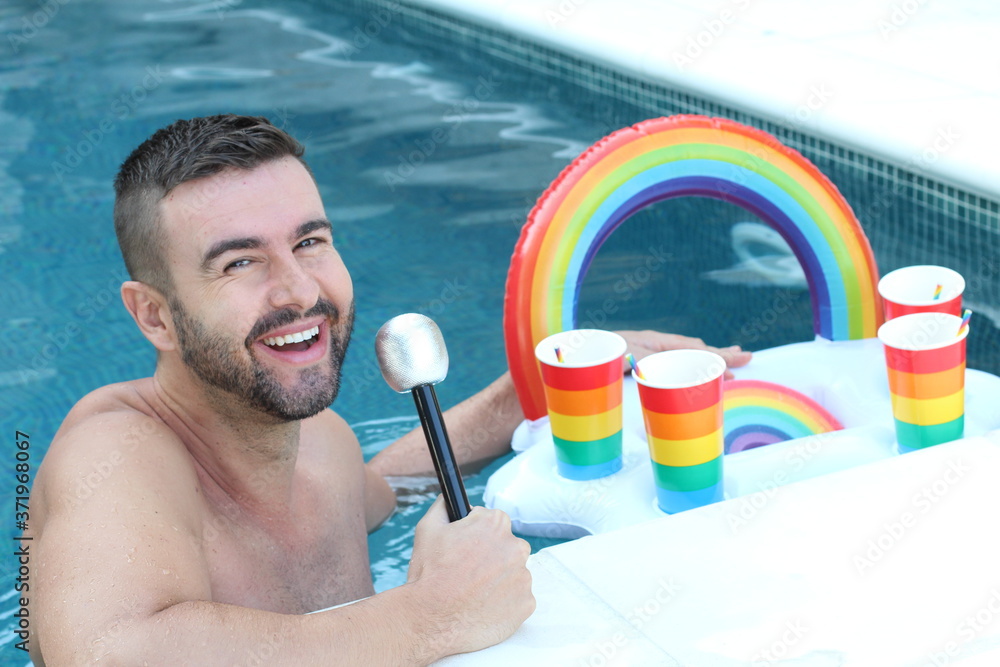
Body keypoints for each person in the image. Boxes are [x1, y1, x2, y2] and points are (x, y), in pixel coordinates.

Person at [25, 115, 751, 665]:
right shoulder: (116, 451)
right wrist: (425, 618)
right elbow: (107, 649)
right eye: (240, 262)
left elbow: (387, 488)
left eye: (309, 241)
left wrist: (519, 398)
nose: (300, 289)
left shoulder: (320, 444)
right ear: (154, 315)